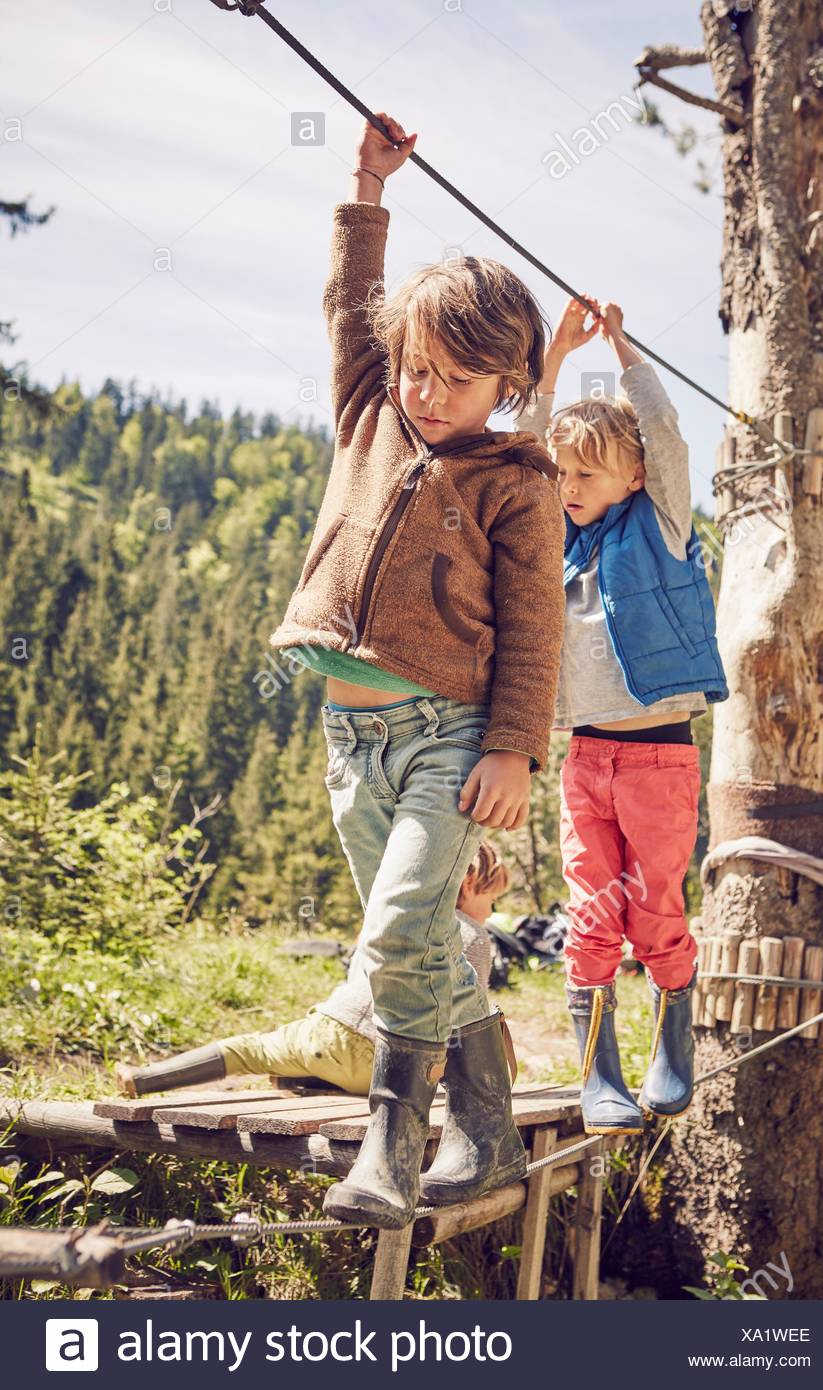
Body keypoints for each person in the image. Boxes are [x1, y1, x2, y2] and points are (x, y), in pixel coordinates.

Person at [264, 112, 565, 1228]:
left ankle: (391, 1145)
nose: (428, 393)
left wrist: (509, 749)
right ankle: (485, 1131)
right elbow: (352, 298)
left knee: (395, 934)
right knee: (423, 938)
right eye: (417, 369)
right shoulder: (368, 408)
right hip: (352, 744)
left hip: (447, 737)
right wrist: (364, 185)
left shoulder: (514, 483)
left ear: (509, 384)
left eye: (457, 378)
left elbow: (533, 630)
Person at [514, 295, 728, 1136]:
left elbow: (667, 434)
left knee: (656, 913)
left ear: (633, 477)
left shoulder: (663, 522)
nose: (568, 487)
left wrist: (624, 350)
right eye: (563, 475)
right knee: (592, 912)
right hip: (586, 763)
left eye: (587, 474)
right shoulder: (551, 536)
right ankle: (597, 1072)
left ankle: (673, 1042)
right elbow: (526, 451)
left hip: (660, 762)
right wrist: (557, 358)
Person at [115, 843, 508, 1099]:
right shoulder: (473, 935)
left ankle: (145, 1078)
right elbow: (465, 1019)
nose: (492, 911)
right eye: (492, 898)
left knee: (248, 1050)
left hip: (330, 1033)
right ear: (470, 881)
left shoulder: (388, 916)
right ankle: (325, 1080)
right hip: (388, 1066)